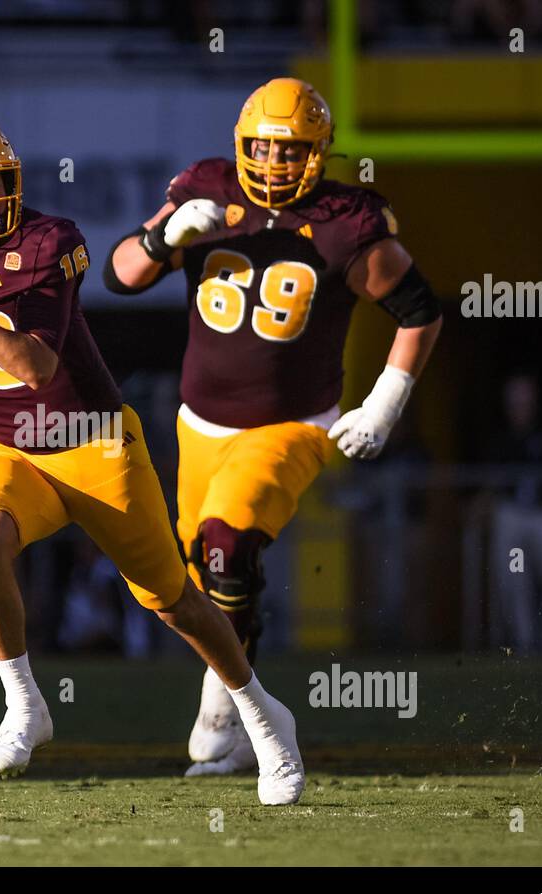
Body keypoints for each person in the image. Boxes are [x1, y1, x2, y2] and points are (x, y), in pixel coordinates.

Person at [0, 112, 305, 804]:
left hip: (94, 444)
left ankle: (264, 716)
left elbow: (37, 365)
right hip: (8, 450)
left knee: (173, 602)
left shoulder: (49, 243)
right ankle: (25, 704)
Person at [104, 78, 443, 774]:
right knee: (197, 581)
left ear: (318, 152)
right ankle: (236, 718)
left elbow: (420, 313)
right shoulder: (208, 187)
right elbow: (119, 278)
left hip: (294, 424)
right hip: (199, 424)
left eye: (289, 149)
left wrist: (384, 403)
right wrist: (162, 235)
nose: (273, 161)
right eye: (260, 146)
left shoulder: (348, 219)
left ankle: (227, 705)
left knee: (228, 544)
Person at [486, 372, 542, 654]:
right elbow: (492, 482)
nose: (519, 409)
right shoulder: (499, 437)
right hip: (511, 513)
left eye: (524, 402)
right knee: (514, 580)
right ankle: (524, 644)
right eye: (514, 403)